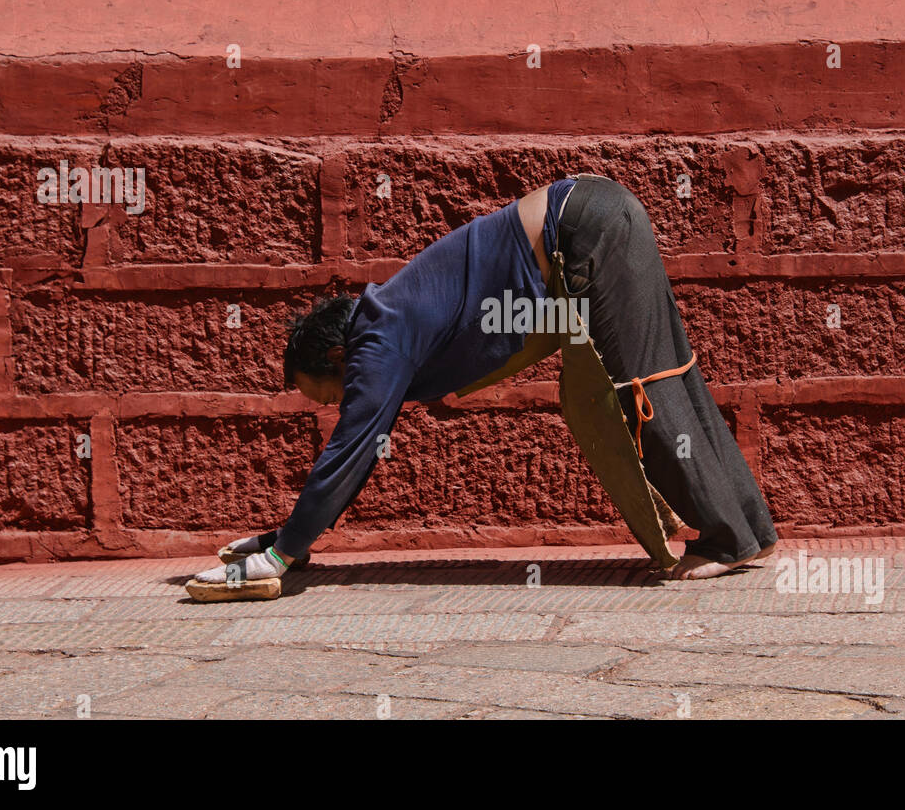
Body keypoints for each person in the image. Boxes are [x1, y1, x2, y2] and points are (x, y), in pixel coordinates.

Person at [189, 174, 777, 598]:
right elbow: (359, 449)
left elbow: (352, 449)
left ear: (340, 357)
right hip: (598, 209)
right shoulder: (387, 320)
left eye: (334, 392)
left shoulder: (379, 339)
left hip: (583, 227)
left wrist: (278, 555)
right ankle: (748, 527)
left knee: (641, 388)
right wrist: (287, 538)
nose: (345, 403)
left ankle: (726, 539)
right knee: (668, 374)